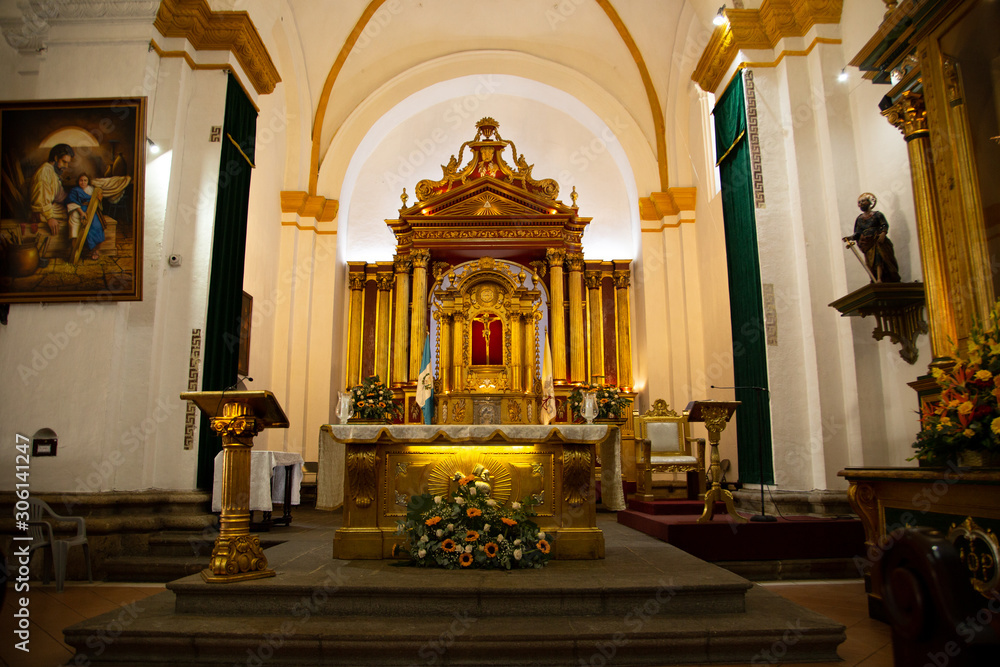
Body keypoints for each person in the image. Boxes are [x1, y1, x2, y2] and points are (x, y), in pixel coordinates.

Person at [843, 192, 901, 283]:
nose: (861, 204)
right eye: (860, 202)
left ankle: (879, 279)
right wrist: (850, 237)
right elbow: (857, 233)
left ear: (870, 202)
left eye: (863, 201)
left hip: (877, 240)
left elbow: (884, 225)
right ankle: (874, 278)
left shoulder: (877, 215)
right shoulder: (859, 219)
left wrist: (882, 234)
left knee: (880, 258)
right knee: (870, 263)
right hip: (867, 243)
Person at [27, 143, 74, 239]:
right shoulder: (45, 171)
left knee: (76, 208)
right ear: (56, 158)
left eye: (68, 163)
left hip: (49, 208)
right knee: (76, 213)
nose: (66, 166)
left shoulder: (53, 172)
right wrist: (50, 218)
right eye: (64, 162)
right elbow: (41, 200)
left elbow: (60, 196)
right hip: (41, 212)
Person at [66, 173, 105, 260]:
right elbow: (72, 202)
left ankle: (95, 250)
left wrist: (99, 199)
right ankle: (75, 252)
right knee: (77, 227)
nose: (83, 182)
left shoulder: (92, 190)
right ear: (78, 181)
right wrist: (81, 213)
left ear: (88, 181)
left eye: (85, 180)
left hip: (90, 210)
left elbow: (97, 202)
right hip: (78, 210)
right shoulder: (74, 190)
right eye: (81, 180)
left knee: (96, 226)